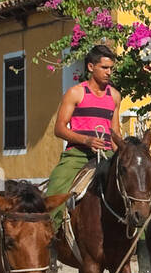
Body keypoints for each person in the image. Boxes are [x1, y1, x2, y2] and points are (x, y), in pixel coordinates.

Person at [43, 44, 122, 227]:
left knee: (133, 189)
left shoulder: (115, 96)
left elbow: (115, 132)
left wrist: (120, 156)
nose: (109, 72)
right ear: (90, 67)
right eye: (104, 67)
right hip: (77, 155)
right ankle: (50, 237)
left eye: (111, 68)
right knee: (55, 190)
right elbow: (59, 129)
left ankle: (141, 245)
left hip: (107, 156)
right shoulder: (76, 93)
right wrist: (86, 140)